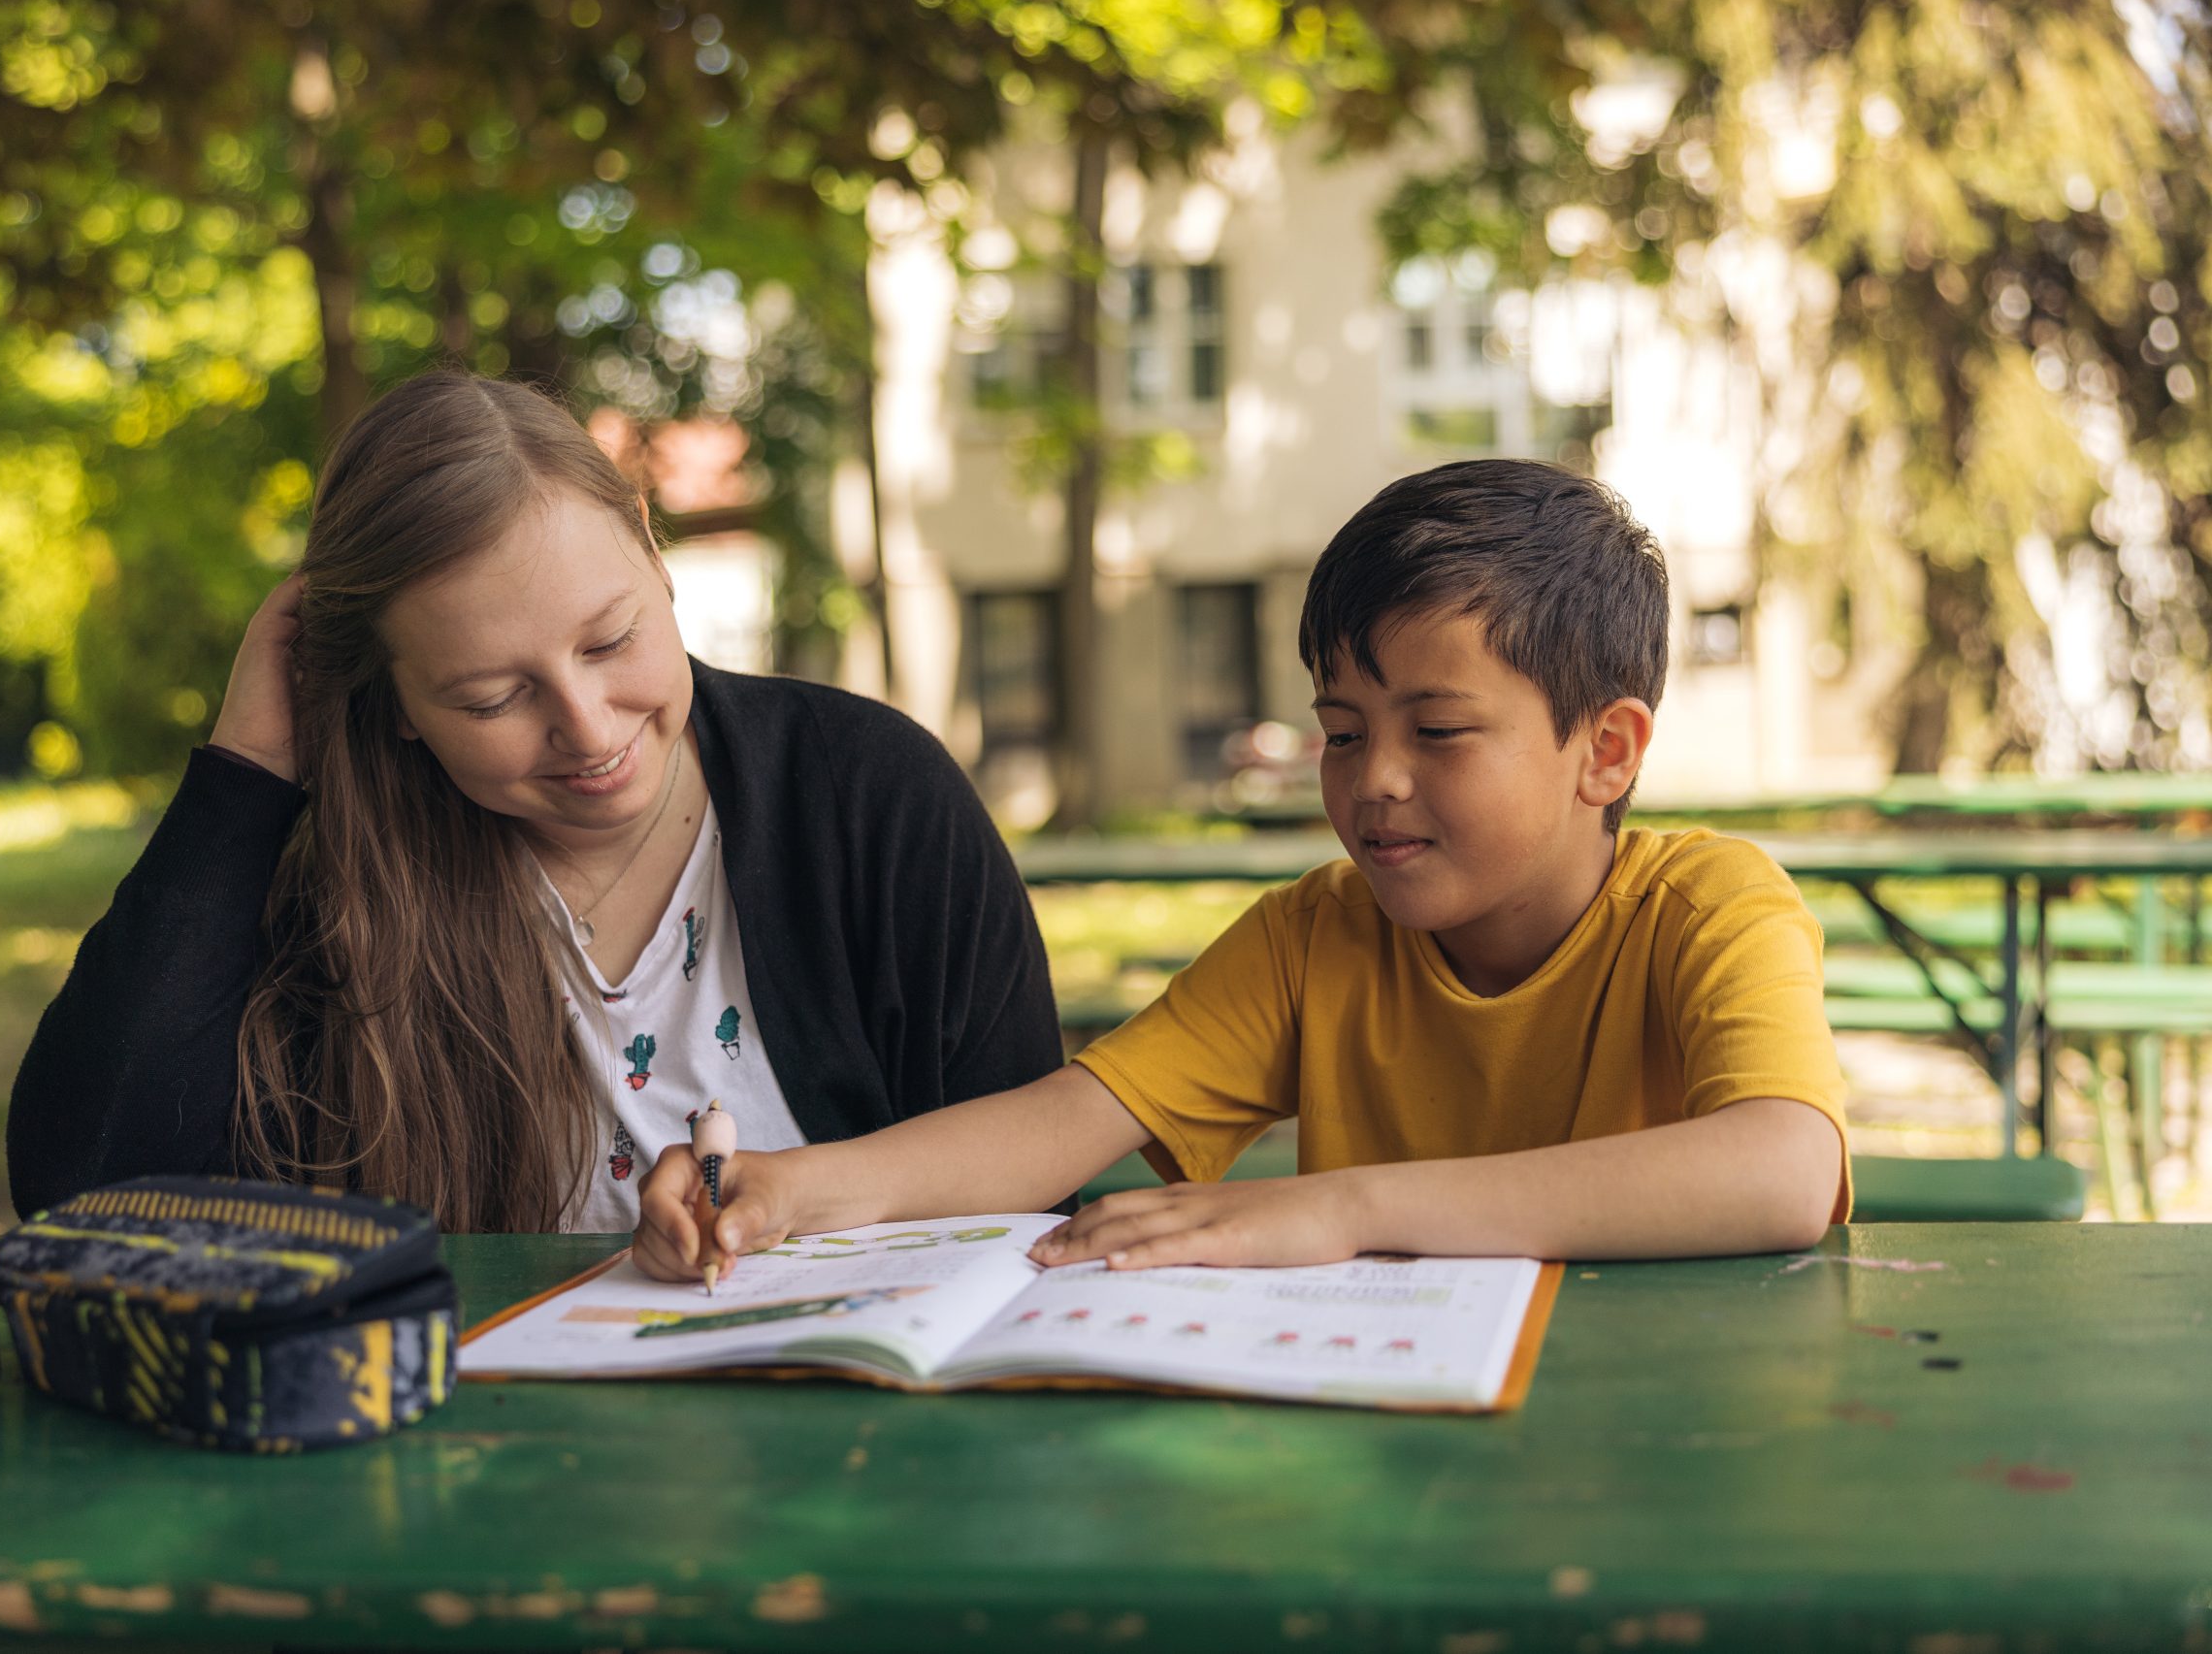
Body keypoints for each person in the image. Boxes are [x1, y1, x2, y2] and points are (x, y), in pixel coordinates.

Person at [636, 459, 1850, 1279]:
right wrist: (785, 1190)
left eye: (1435, 731)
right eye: (1339, 731)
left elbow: (1784, 1169)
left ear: (1607, 751)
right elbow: (1054, 1127)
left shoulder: (1709, 902)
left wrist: (1348, 1205)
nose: (1372, 778)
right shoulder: (1315, 935)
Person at [8, 371, 1060, 1232]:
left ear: (653, 551)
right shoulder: (347, 879)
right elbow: (87, 1192)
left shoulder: (865, 796)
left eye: (611, 642)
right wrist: (245, 776)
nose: (590, 728)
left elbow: (1023, 1172)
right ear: (400, 704)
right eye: (492, 697)